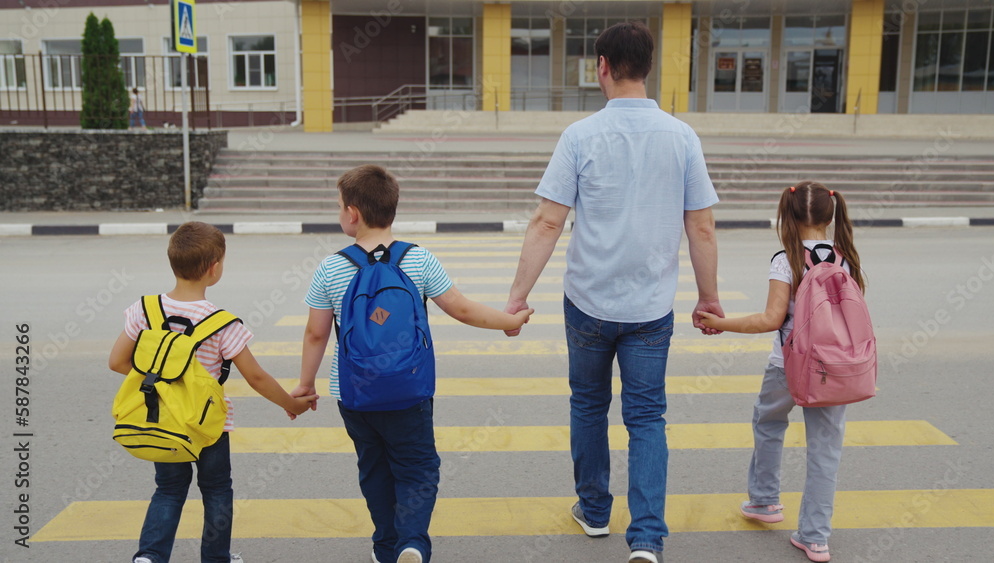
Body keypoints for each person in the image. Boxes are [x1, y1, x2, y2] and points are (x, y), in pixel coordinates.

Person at [503, 21, 723, 563]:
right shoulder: (682, 137)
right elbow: (702, 227)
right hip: (651, 309)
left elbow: (547, 224)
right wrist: (708, 298)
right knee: (647, 418)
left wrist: (515, 300)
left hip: (588, 304)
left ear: (602, 66)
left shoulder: (580, 136)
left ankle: (595, 510)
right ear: (648, 67)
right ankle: (647, 537)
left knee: (588, 407)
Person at [291, 164, 533, 563]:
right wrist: (510, 322)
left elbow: (316, 333)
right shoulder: (418, 259)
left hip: (353, 393)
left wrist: (305, 384)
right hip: (410, 391)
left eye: (338, 207)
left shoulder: (332, 267)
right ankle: (412, 544)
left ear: (352, 213)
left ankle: (387, 547)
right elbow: (462, 309)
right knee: (418, 468)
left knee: (374, 470)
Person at [108, 221, 320, 563]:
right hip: (209, 426)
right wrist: (291, 402)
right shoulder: (222, 323)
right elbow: (256, 378)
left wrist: (165, 382)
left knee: (169, 489)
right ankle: (216, 557)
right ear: (214, 268)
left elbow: (117, 362)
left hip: (163, 421)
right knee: (217, 489)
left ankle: (149, 556)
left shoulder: (144, 310)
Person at [696, 181, 865, 563]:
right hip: (835, 370)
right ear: (831, 214)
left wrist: (721, 323)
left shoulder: (786, 259)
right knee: (825, 450)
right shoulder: (846, 259)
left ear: (785, 215)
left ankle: (765, 501)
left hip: (789, 367)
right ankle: (816, 537)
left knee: (769, 422)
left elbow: (770, 319)